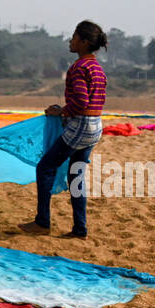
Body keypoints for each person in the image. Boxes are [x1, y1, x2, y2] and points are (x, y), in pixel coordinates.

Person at [19, 20, 108, 239]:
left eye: (75, 37)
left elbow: (80, 101)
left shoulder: (78, 68)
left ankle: (42, 222)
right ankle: (80, 228)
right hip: (95, 127)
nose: (71, 40)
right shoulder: (97, 68)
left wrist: (60, 112)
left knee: (45, 168)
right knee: (76, 174)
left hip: (80, 126)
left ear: (84, 42)